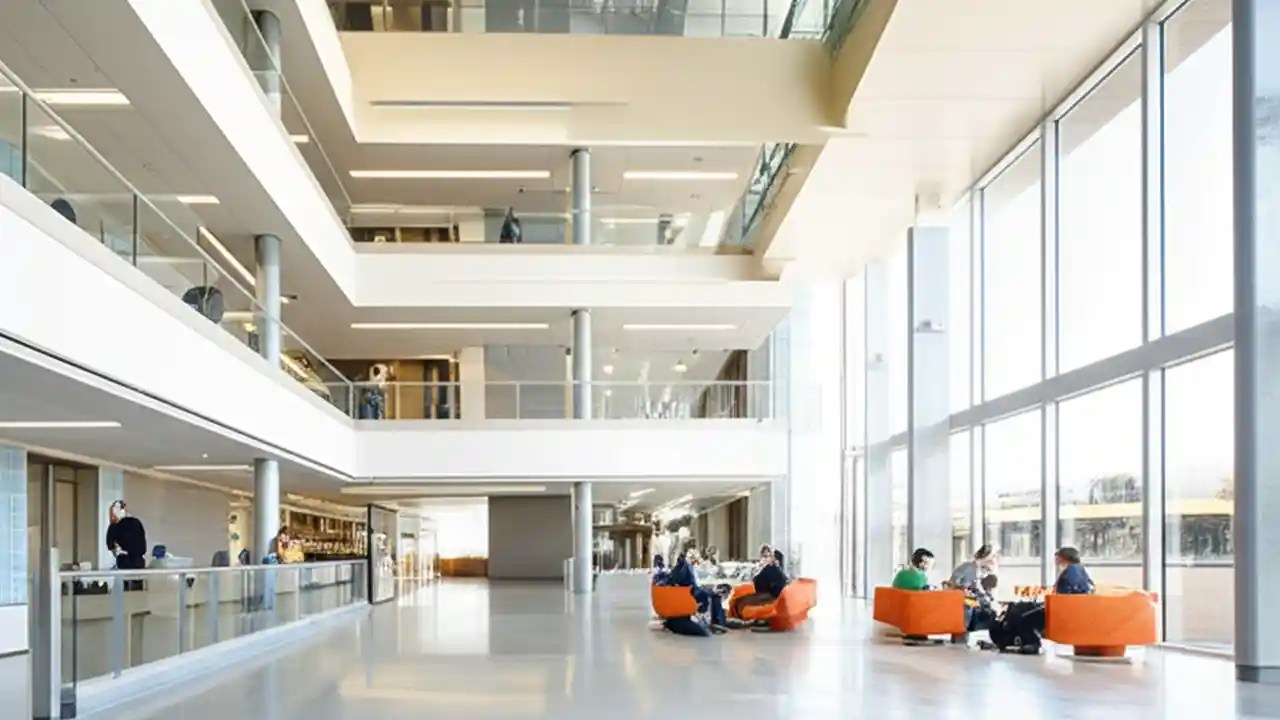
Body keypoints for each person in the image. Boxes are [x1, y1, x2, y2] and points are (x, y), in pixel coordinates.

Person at [668, 540, 727, 632]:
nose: (697, 554)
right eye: (694, 551)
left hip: (691, 591)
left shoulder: (687, 565)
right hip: (691, 593)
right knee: (714, 594)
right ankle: (718, 622)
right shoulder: (685, 566)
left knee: (714, 593)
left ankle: (717, 622)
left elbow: (700, 576)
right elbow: (691, 583)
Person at [730, 546, 789, 619]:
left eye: (767, 556)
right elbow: (755, 580)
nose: (765, 558)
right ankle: (738, 618)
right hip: (764, 592)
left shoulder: (772, 568)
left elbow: (777, 586)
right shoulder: (763, 568)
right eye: (763, 556)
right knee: (738, 601)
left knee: (743, 603)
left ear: (772, 557)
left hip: (772, 595)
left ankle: (745, 619)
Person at [105, 500, 147, 570]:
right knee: (137, 578)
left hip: (124, 561)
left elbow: (111, 545)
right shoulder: (137, 523)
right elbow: (143, 545)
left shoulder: (114, 527)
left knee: (126, 579)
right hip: (139, 562)